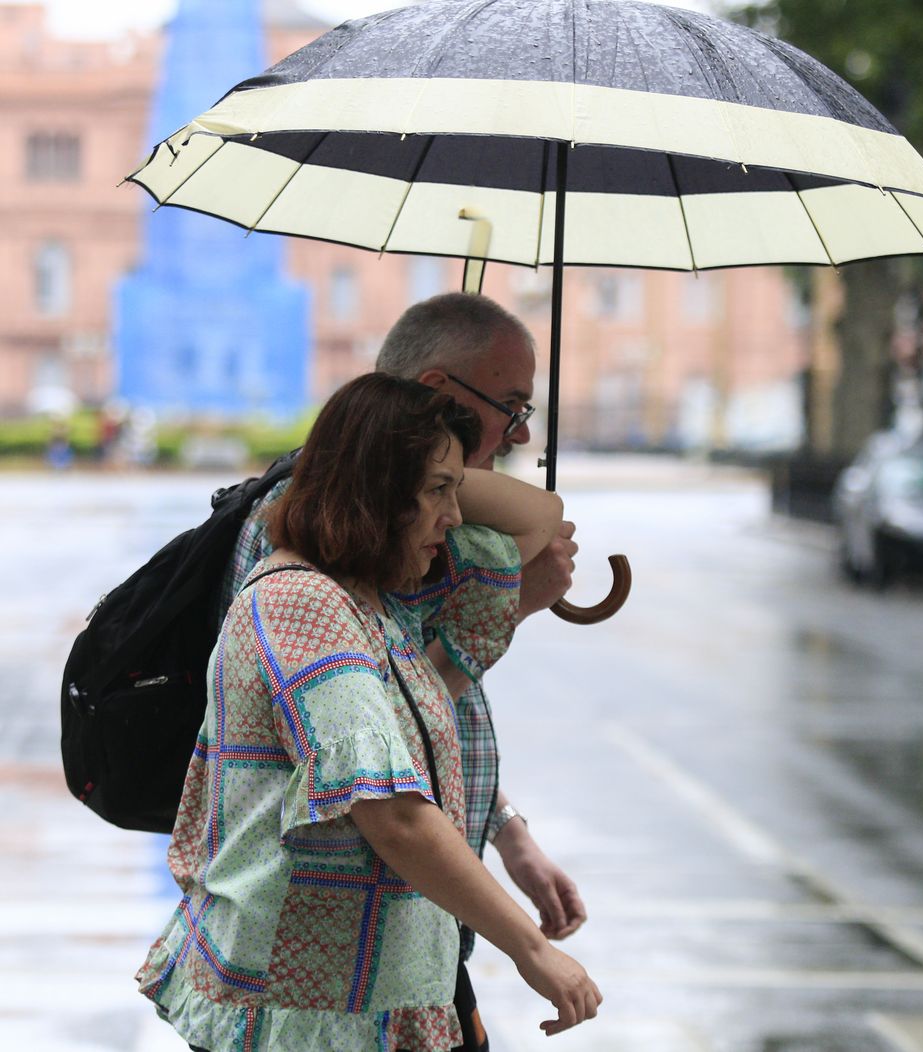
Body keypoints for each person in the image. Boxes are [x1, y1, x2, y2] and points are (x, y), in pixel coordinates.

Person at [136, 374, 601, 1051]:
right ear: (376, 491)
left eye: (454, 487)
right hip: (305, 1013)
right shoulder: (302, 606)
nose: (454, 515)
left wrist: (429, 465)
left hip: (371, 1003)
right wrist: (531, 950)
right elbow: (395, 815)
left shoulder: (373, 607)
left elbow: (540, 516)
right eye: (438, 489)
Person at [220, 294, 586, 977]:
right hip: (335, 950)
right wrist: (509, 609)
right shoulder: (304, 544)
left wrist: (505, 831)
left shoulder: (401, 537)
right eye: (511, 406)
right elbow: (378, 760)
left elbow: (424, 725)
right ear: (436, 393)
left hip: (410, 930)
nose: (519, 434)